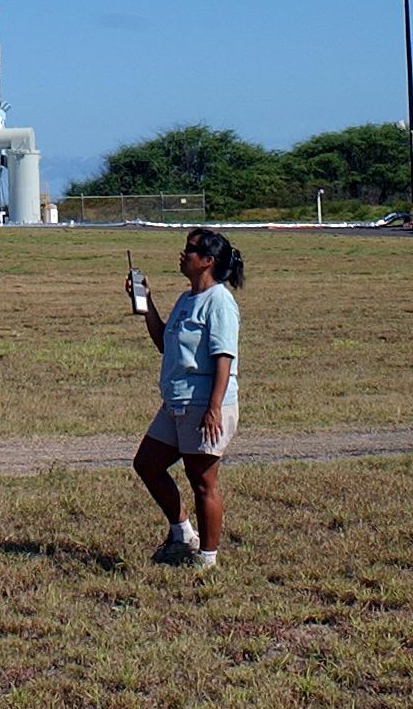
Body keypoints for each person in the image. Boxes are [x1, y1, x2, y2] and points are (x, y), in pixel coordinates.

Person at [128, 227, 244, 571]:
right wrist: (145, 302)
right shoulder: (186, 298)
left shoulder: (220, 301)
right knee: (147, 464)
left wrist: (213, 409)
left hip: (204, 402)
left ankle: (207, 559)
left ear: (208, 261)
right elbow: (165, 341)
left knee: (202, 481)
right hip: (176, 402)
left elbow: (225, 357)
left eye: (190, 250)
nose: (183, 254)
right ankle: (182, 534)